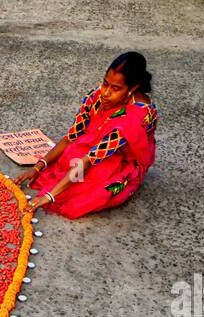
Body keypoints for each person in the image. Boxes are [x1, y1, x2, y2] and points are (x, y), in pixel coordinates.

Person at [15, 52, 157, 219]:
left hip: (121, 161)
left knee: (90, 194)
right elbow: (72, 136)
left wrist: (50, 196)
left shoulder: (136, 117)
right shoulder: (97, 96)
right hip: (91, 151)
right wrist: (38, 167)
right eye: (105, 84)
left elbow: (91, 159)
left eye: (116, 88)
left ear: (132, 88)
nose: (106, 93)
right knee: (71, 157)